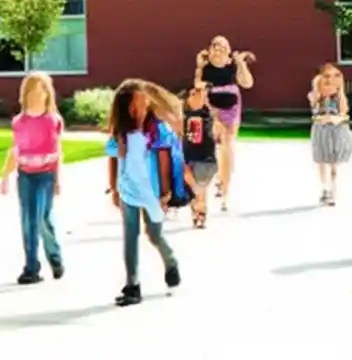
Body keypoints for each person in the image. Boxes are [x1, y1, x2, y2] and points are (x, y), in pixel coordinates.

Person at [106, 79, 183, 307]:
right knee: (130, 237)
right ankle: (132, 285)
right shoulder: (122, 133)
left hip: (152, 193)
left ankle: (170, 261)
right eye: (133, 106)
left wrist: (166, 192)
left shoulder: (156, 131)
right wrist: (114, 187)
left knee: (154, 233)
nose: (138, 110)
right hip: (128, 190)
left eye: (142, 104)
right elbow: (115, 159)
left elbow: (164, 162)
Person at [0, 71, 66, 285]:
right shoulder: (19, 122)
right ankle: (31, 267)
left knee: (43, 219)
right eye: (32, 92)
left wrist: (57, 179)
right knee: (28, 221)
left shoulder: (52, 121)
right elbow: (15, 150)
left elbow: (58, 152)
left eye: (41, 91)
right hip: (25, 175)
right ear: (24, 95)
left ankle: (54, 257)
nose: (36, 96)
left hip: (45, 176)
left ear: (48, 95)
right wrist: (5, 176)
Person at [195, 36, 254, 211]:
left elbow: (248, 83)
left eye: (222, 46)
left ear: (228, 50)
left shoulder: (233, 67)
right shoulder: (205, 68)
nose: (218, 49)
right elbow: (198, 85)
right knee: (213, 144)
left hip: (232, 108)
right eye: (215, 46)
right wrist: (200, 68)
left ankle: (225, 185)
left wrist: (241, 63)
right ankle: (215, 177)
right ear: (210, 49)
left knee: (228, 144)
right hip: (213, 108)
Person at [308, 63, 352, 206]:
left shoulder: (339, 98)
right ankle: (325, 188)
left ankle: (333, 189)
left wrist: (335, 119)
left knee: (334, 163)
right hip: (321, 130)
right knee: (322, 160)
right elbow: (314, 110)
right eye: (326, 82)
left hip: (336, 131)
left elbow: (344, 115)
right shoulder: (316, 96)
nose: (329, 87)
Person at [180, 83, 218, 229]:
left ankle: (198, 209)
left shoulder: (194, 117)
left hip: (195, 160)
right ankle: (199, 214)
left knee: (194, 187)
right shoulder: (207, 115)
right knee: (200, 189)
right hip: (209, 162)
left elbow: (193, 137)